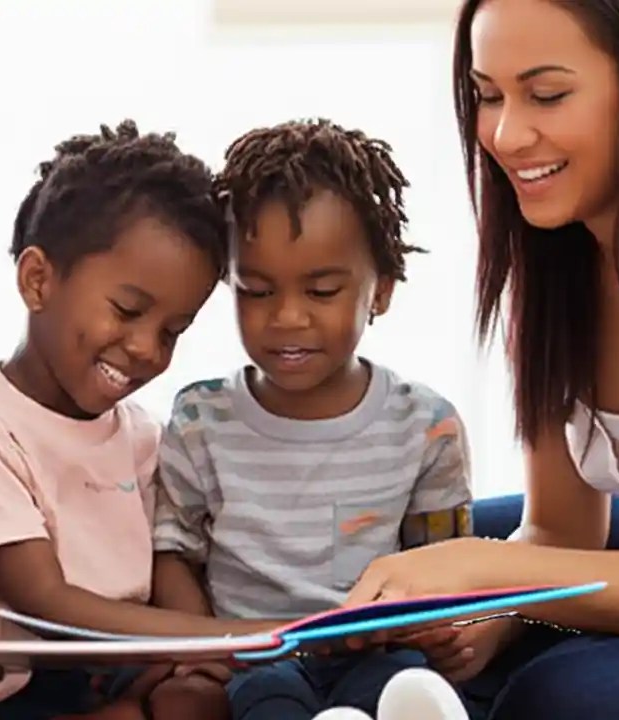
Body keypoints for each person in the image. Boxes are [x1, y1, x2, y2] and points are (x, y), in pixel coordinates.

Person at [345, 1, 619, 718]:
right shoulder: (558, 258)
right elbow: (560, 528)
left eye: (547, 95)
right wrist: (496, 617)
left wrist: (486, 572)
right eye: (488, 94)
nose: (504, 133)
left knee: (561, 690)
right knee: (410, 550)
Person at [0, 120, 275, 720]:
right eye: (127, 310)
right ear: (38, 280)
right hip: (31, 683)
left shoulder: (141, 434)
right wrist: (233, 637)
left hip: (131, 664)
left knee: (199, 701)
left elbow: (169, 563)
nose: (146, 349)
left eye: (172, 331)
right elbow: (43, 603)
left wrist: (201, 647)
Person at [149, 118, 475, 720]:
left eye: (322, 292)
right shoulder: (201, 419)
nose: (288, 317)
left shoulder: (426, 425)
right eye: (257, 290)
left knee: (407, 686)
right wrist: (207, 642)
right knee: (267, 702)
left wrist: (435, 625)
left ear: (381, 291)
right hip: (257, 659)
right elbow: (173, 554)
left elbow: (442, 564)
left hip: (376, 654)